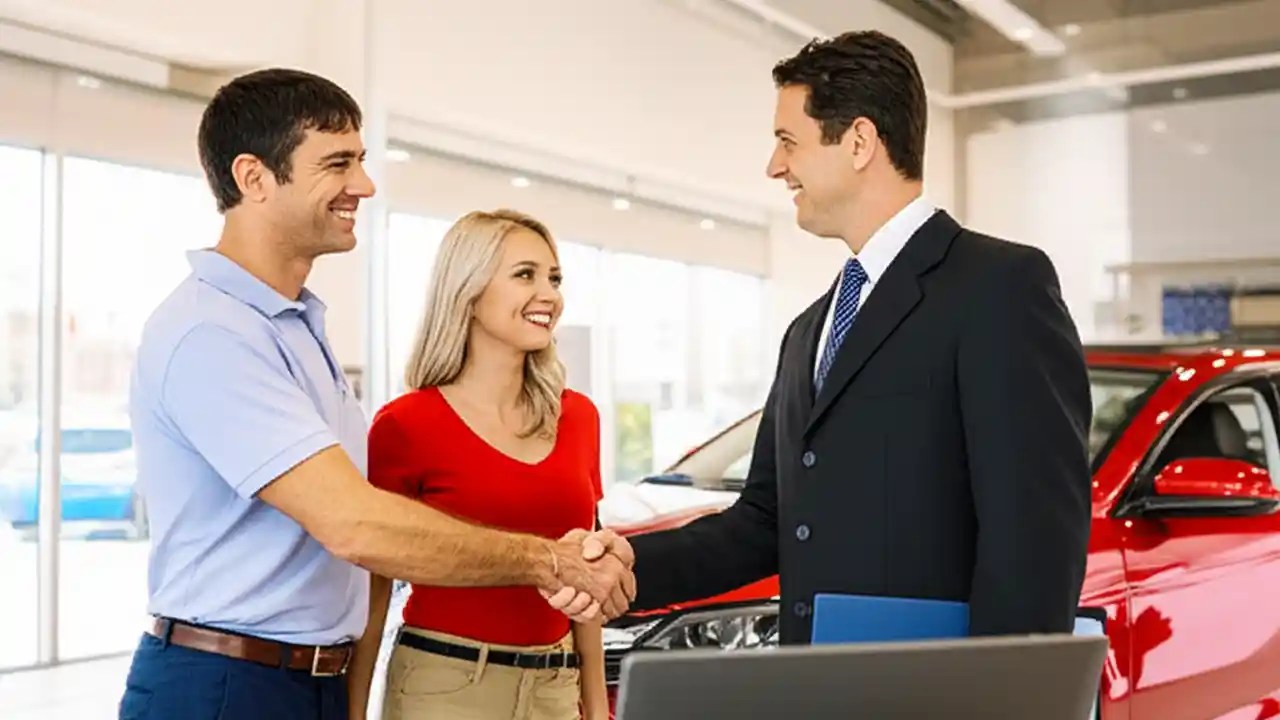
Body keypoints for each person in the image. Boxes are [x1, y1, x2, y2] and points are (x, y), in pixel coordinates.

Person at [118, 69, 631, 720]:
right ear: (254, 178)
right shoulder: (210, 334)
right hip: (227, 683)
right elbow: (352, 523)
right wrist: (549, 560)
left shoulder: (294, 328)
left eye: (361, 162)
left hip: (308, 678)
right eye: (339, 164)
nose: (364, 185)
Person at [557, 30, 1093, 644]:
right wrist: (626, 567)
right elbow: (765, 522)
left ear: (859, 141)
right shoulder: (809, 329)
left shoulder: (998, 287)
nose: (774, 166)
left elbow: (1035, 537)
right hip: (818, 686)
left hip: (938, 692)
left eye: (789, 141)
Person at [345, 209, 610, 720]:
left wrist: (595, 707)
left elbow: (586, 575)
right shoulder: (406, 425)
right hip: (445, 688)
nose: (549, 294)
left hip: (555, 687)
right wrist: (354, 712)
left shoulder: (578, 417)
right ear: (468, 292)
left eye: (554, 278)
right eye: (525, 275)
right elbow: (371, 594)